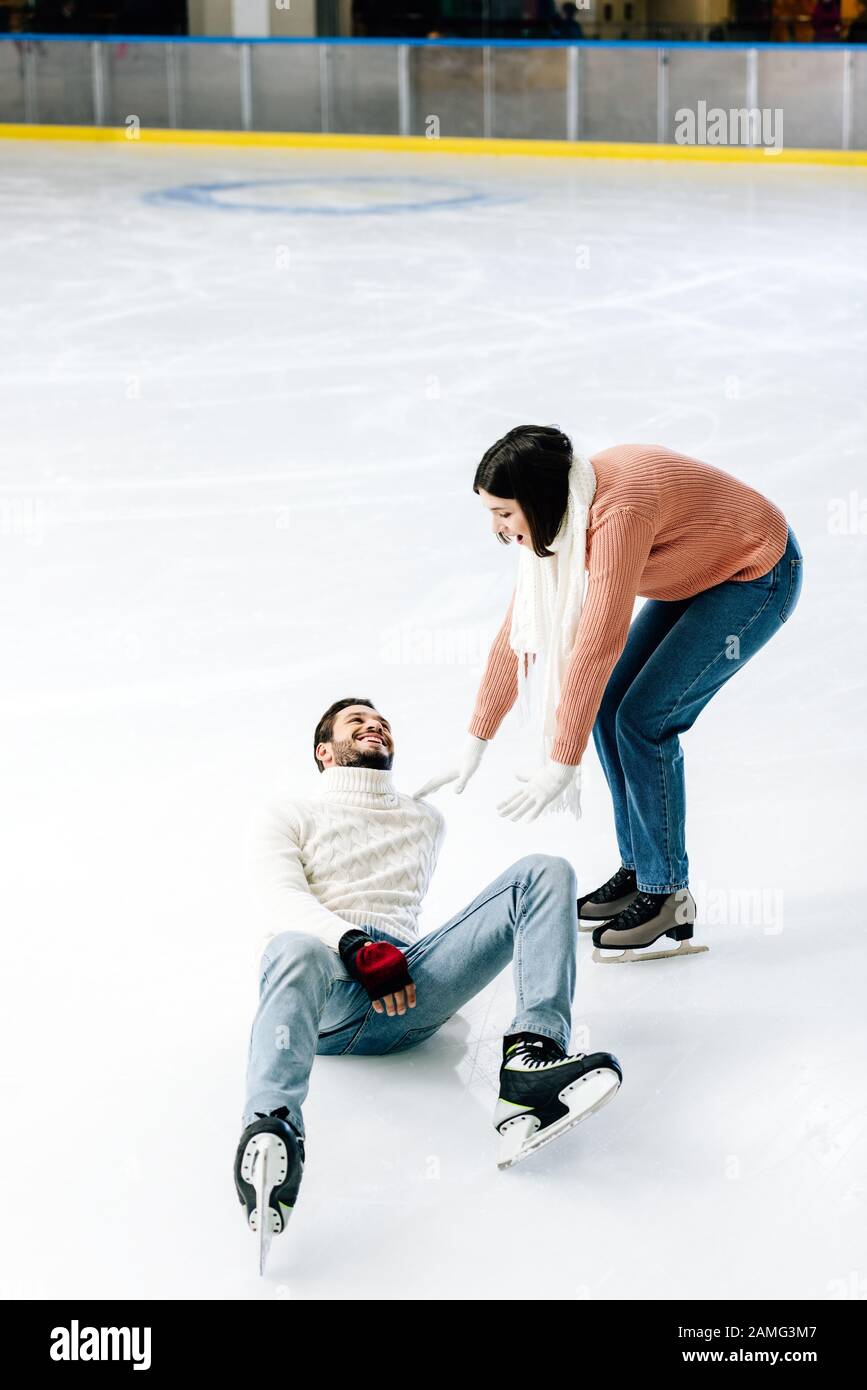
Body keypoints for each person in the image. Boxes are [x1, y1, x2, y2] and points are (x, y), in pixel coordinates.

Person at [234, 697, 621, 1270]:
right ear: (324, 752)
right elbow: (281, 899)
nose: (374, 725)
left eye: (381, 721)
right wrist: (354, 946)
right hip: (325, 995)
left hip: (406, 992)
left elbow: (389, 866)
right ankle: (272, 1131)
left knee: (545, 871)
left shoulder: (423, 821)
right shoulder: (288, 814)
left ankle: (530, 1065)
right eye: (356, 722)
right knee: (290, 946)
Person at [415, 428, 803, 962]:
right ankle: (641, 869)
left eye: (504, 513)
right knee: (610, 707)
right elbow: (518, 634)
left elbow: (598, 644)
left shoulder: (616, 515)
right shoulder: (562, 517)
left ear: (538, 498)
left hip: (755, 575)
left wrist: (560, 763)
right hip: (696, 573)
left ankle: (667, 893)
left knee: (644, 719)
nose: (499, 530)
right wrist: (474, 741)